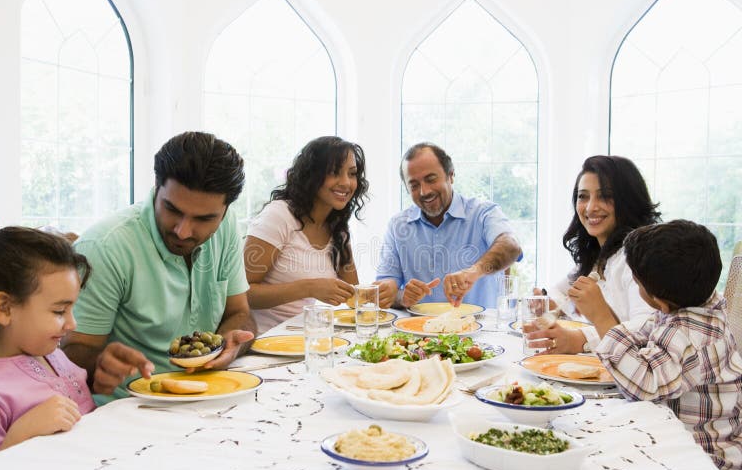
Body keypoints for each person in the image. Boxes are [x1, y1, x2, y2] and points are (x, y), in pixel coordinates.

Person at [61, 132, 255, 404]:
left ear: (225, 211)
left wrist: (230, 344)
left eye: (204, 219)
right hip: (128, 408)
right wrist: (99, 365)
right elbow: (72, 353)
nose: (183, 231)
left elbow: (240, 313)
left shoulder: (228, 227)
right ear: (156, 186)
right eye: (172, 209)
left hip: (207, 395)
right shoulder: (106, 246)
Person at [595, 220, 742, 470]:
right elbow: (648, 327)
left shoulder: (685, 333)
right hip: (698, 447)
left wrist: (603, 322)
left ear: (659, 301)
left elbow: (643, 383)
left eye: (637, 283)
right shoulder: (705, 306)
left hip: (704, 464)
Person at [0, 218, 95, 469]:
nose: (72, 324)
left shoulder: (53, 356)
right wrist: (21, 434)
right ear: (4, 308)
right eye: (59, 311)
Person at [526, 155, 660, 354]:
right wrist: (550, 306)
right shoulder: (599, 254)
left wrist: (579, 340)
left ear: (629, 200)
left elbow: (646, 330)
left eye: (605, 196)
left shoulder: (643, 256)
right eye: (583, 196)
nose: (590, 207)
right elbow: (559, 291)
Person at [244, 136, 369, 331]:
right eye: (335, 172)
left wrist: (388, 292)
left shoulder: (338, 229)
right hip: (266, 343)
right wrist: (309, 288)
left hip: (309, 341)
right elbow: (243, 294)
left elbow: (354, 297)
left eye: (352, 174)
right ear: (312, 175)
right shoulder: (279, 215)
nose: (346, 183)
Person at [376, 142, 521, 309]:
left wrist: (473, 271)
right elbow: (385, 293)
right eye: (414, 185)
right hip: (417, 331)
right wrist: (402, 297)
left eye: (431, 179)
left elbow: (511, 246)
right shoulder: (397, 226)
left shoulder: (483, 213)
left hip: (481, 331)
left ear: (450, 175)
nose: (424, 191)